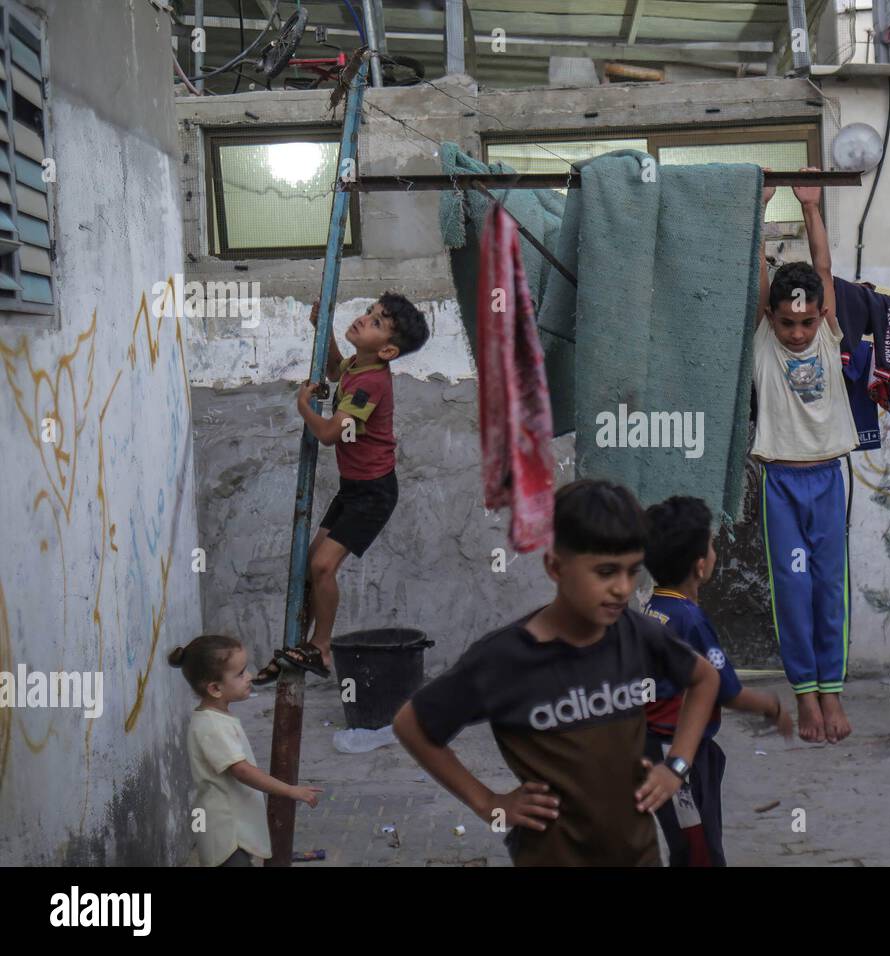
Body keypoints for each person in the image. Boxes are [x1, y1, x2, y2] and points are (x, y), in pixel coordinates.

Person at [392, 479, 721, 866]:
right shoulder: (506, 659)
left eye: (632, 572)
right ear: (555, 566)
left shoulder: (634, 633)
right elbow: (412, 725)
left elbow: (704, 678)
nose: (621, 588)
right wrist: (489, 803)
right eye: (605, 572)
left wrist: (677, 766)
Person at [255, 294, 429, 684]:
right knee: (309, 565)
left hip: (373, 495)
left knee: (322, 566)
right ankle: (298, 644)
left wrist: (305, 408)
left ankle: (321, 647)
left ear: (387, 349)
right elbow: (335, 370)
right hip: (354, 489)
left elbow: (333, 433)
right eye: (370, 312)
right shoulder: (358, 364)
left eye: (377, 321)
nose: (364, 319)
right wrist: (324, 328)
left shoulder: (371, 383)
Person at [752, 168, 857, 743]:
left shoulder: (827, 333)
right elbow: (758, 273)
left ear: (820, 317)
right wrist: (759, 211)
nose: (797, 332)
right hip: (781, 486)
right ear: (771, 318)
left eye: (805, 321)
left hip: (827, 481)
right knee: (792, 589)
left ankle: (834, 692)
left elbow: (821, 272)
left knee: (829, 587)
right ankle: (806, 697)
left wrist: (812, 209)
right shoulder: (764, 336)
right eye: (787, 322)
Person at [642, 495, 794, 865]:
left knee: (685, 843)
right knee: (701, 850)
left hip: (654, 745)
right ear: (699, 566)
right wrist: (772, 706)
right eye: (711, 545)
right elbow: (728, 691)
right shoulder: (690, 621)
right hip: (679, 753)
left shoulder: (653, 608)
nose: (714, 551)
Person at [169, 634, 321, 866]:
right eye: (240, 674)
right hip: (226, 830)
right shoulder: (212, 726)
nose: (249, 677)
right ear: (215, 688)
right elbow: (243, 771)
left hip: (232, 825)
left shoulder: (217, 718)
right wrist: (290, 791)